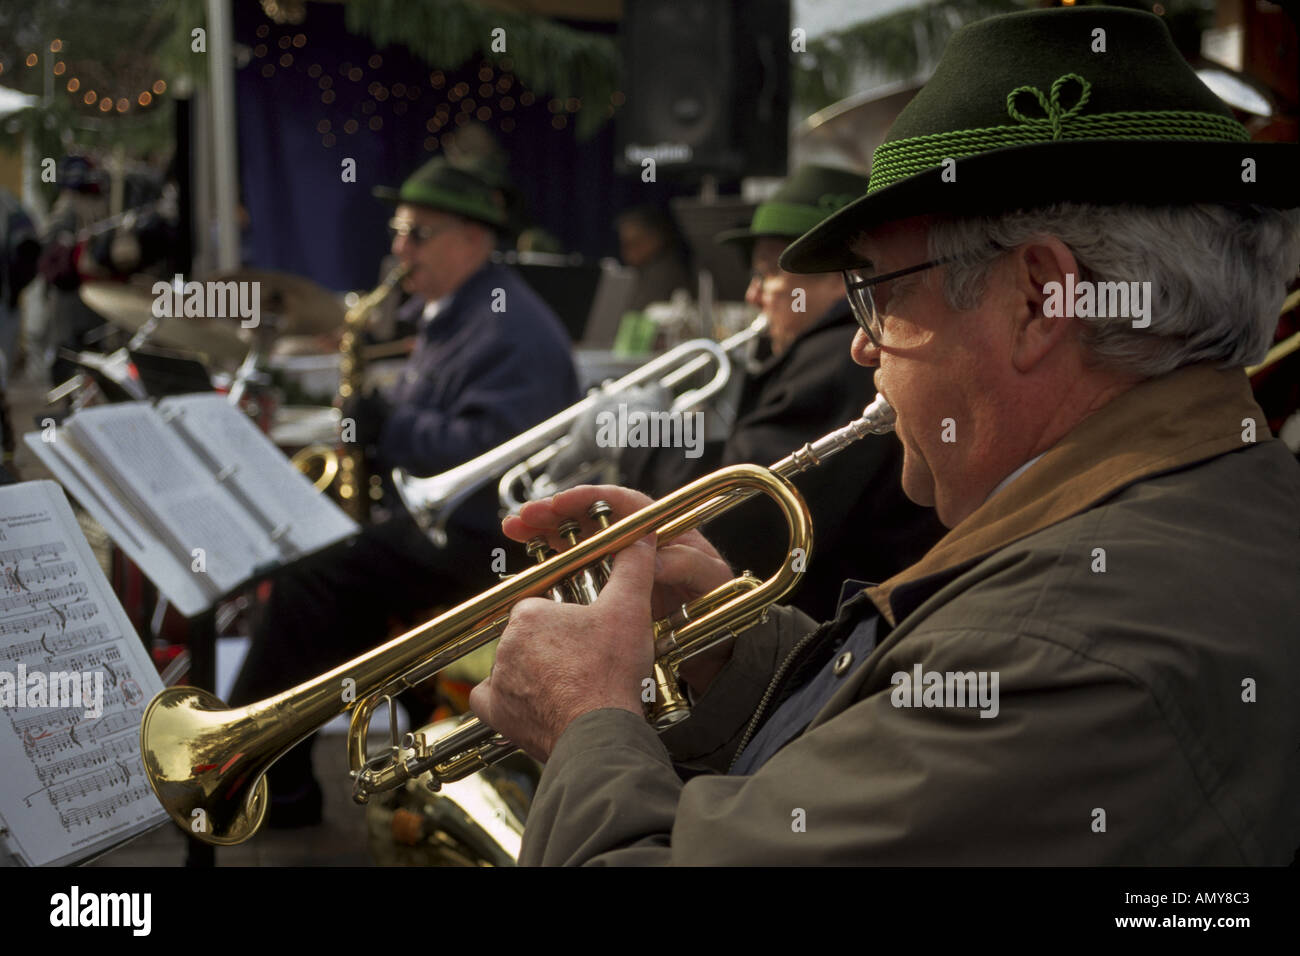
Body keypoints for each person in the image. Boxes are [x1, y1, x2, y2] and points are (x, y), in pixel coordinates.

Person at [468, 6, 1300, 864]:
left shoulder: (1056, 644)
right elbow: (896, 749)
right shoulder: (1219, 495)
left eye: (881, 290)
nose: (863, 341)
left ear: (1041, 299)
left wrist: (584, 726)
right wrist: (729, 656)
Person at [230, 157, 578, 826]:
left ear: (472, 239)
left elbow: (492, 457)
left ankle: (273, 787)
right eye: (399, 230)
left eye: (418, 233)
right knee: (318, 573)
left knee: (309, 584)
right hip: (443, 531)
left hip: (483, 545)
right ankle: (288, 777)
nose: (399, 248)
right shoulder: (459, 310)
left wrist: (391, 424)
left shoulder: (509, 326)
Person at [621, 164, 944, 619]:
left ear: (837, 277)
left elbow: (742, 503)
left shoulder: (837, 359)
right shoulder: (821, 350)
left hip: (831, 622)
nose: (754, 296)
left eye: (768, 274)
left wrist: (640, 441)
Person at [616, 204, 693, 311]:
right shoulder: (640, 271)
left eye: (634, 243)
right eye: (624, 244)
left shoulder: (664, 272)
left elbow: (634, 312)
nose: (626, 252)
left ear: (656, 238)